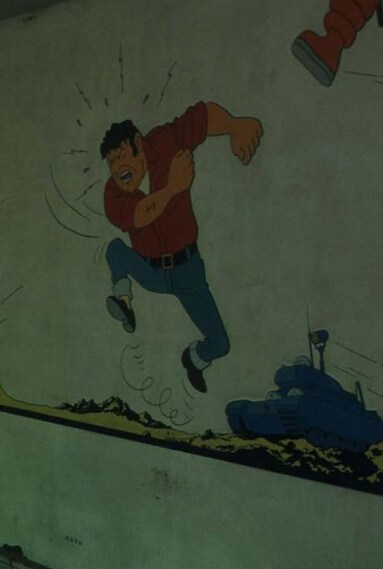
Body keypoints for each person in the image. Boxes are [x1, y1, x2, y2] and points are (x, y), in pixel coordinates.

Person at [100, 101, 263, 393]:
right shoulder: (113, 194)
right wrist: (173, 188)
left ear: (138, 143)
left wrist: (234, 124)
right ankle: (123, 301)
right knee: (115, 251)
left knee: (220, 344)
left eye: (122, 156)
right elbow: (139, 214)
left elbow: (201, 117)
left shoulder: (163, 142)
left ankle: (194, 359)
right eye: (112, 162)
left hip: (188, 271)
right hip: (151, 273)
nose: (118, 167)